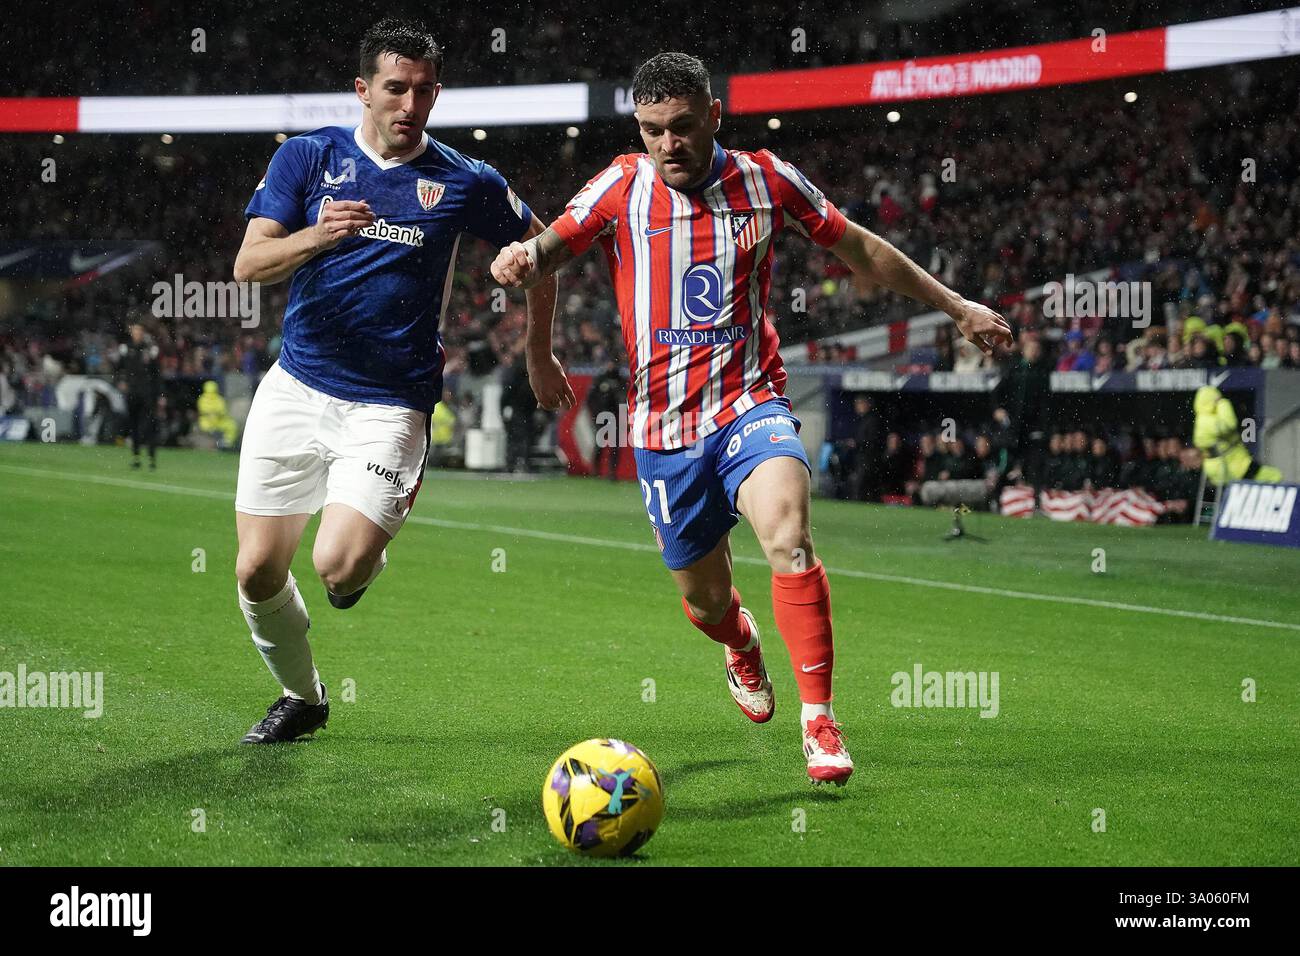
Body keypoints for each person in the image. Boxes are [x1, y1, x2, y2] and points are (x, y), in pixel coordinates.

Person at [490, 52, 1011, 785]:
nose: (667, 144)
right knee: (705, 603)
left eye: (681, 127)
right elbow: (548, 249)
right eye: (651, 130)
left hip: (749, 403)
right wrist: (518, 259)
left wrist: (957, 307)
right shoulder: (620, 186)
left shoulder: (766, 180)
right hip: (663, 428)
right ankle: (740, 642)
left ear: (713, 116)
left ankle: (819, 720)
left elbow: (859, 245)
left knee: (789, 539)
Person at [229, 18, 569, 744]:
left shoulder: (461, 178)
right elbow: (248, 265)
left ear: (436, 93)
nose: (408, 104)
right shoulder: (307, 157)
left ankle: (371, 537)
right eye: (394, 88)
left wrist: (539, 353)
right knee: (257, 570)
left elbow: (548, 250)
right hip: (296, 387)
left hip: (389, 402)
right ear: (363, 90)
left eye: (423, 90)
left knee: (339, 568)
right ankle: (305, 696)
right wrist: (319, 234)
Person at [117, 322, 160, 470]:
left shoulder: (150, 350)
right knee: (133, 426)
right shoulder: (125, 349)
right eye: (135, 330)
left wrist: (161, 394)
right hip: (132, 393)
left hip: (147, 393)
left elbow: (157, 374)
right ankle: (136, 458)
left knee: (149, 425)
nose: (137, 333)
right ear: (131, 332)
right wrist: (121, 381)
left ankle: (151, 458)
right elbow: (119, 369)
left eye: (139, 330)